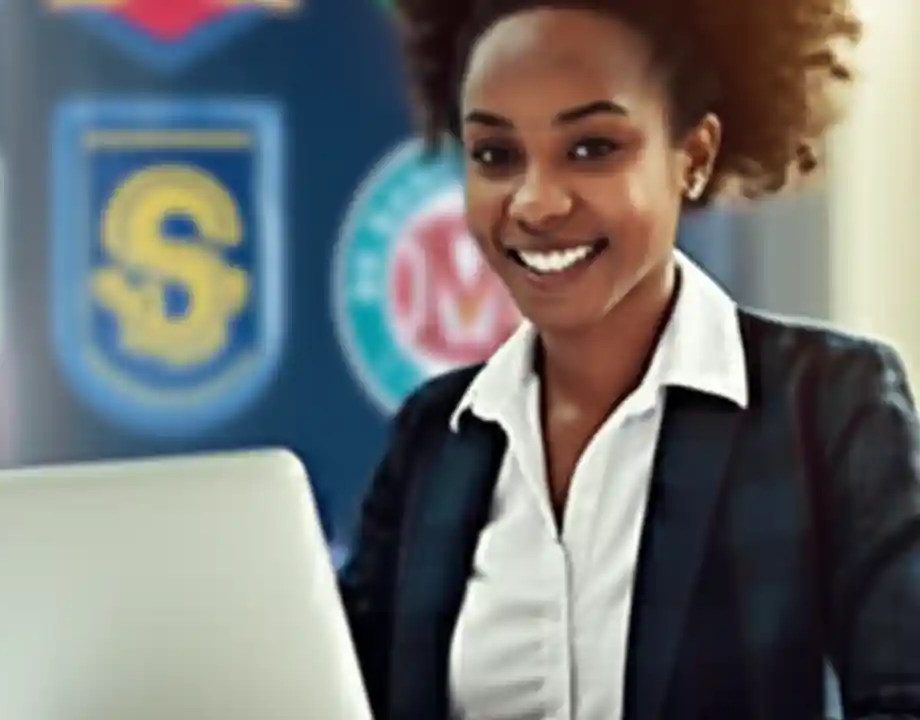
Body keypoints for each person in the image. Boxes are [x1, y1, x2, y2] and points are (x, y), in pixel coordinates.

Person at [338, 1, 920, 718]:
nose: (535, 201)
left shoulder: (827, 404)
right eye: (495, 155)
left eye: (591, 148)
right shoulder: (435, 437)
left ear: (694, 157)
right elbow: (337, 696)